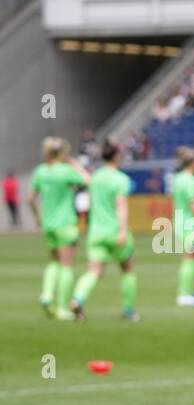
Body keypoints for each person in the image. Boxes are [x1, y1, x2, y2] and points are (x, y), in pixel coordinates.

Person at [70, 141, 139, 322]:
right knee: (128, 269)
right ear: (116, 156)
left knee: (94, 272)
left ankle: (77, 299)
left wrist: (75, 164)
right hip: (115, 231)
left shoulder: (96, 177)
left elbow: (85, 177)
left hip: (96, 232)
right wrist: (123, 230)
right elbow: (121, 206)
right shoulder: (120, 179)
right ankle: (128, 310)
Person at [27, 138, 87, 319]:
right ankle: (61, 307)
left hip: (48, 225)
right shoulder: (65, 171)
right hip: (66, 224)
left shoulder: (40, 171)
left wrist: (37, 218)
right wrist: (76, 165)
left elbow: (30, 198)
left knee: (53, 262)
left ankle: (46, 295)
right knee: (67, 265)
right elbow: (87, 180)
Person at [173, 148, 194, 307]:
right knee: (191, 256)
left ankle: (187, 289)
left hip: (180, 222)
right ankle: (184, 294)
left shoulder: (178, 178)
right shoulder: (189, 180)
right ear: (192, 163)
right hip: (189, 224)